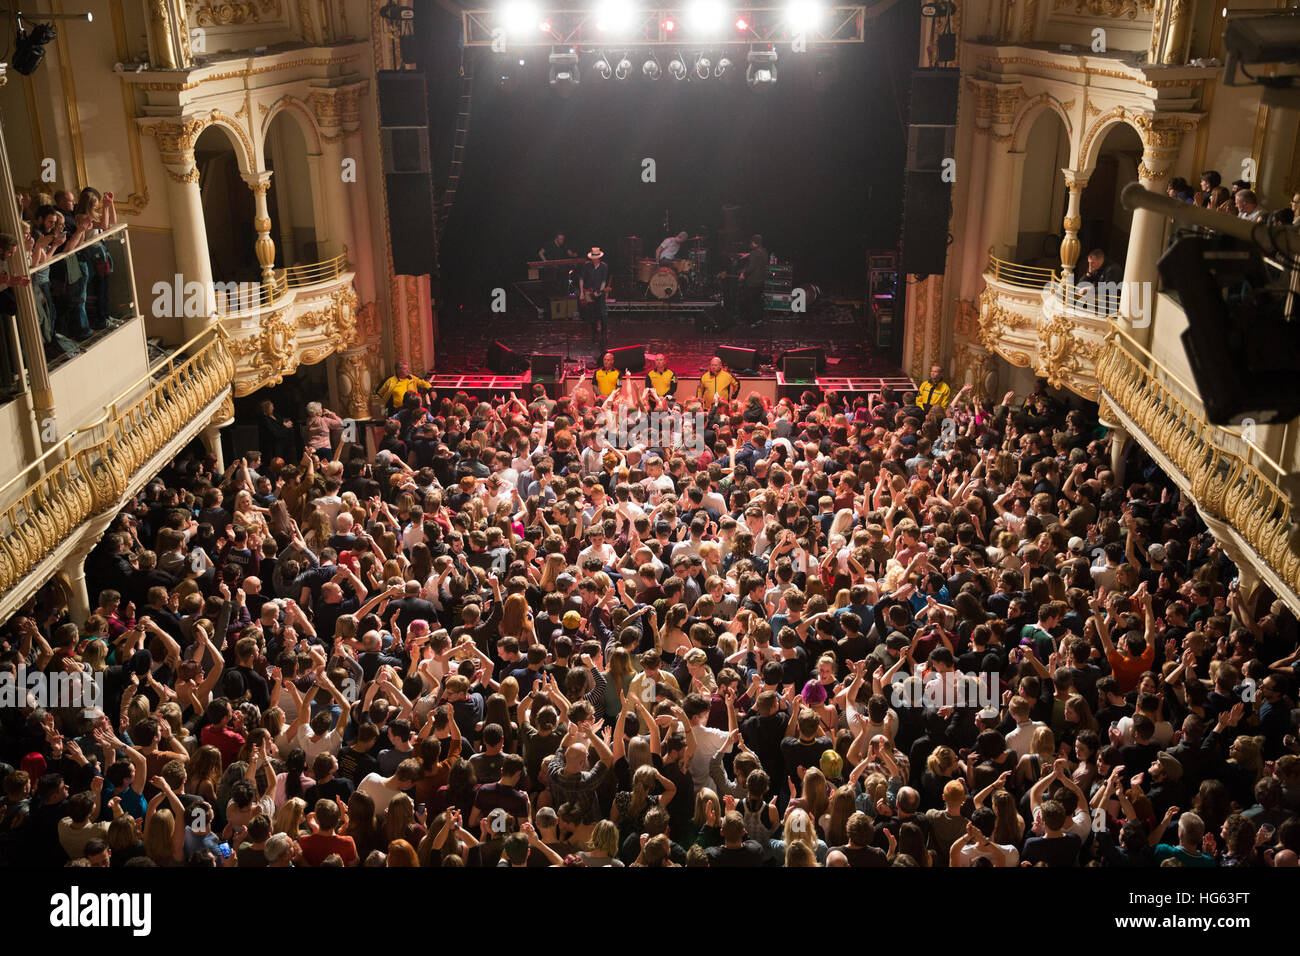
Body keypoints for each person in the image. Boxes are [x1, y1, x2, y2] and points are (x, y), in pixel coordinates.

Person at [578, 247, 610, 357]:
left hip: (598, 293)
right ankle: (594, 335)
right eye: (593, 258)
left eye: (596, 258)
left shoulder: (604, 267)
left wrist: (600, 292)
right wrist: (582, 292)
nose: (594, 260)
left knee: (602, 314)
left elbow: (604, 281)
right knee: (592, 315)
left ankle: (604, 334)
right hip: (588, 292)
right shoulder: (586, 266)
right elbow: (581, 279)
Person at [737, 234, 768, 327]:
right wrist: (748, 254)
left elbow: (751, 268)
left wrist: (743, 274)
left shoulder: (754, 253)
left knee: (751, 302)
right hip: (761, 281)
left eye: (751, 242)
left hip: (753, 282)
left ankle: (753, 321)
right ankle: (759, 319)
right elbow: (757, 255)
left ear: (754, 243)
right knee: (758, 301)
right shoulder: (764, 251)